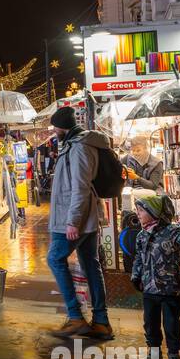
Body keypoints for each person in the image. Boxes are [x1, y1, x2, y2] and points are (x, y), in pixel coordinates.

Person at [46, 105, 114, 341]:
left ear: (62, 127)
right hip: (84, 218)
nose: (54, 131)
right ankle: (101, 322)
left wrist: (72, 222)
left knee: (55, 259)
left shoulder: (79, 148)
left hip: (73, 219)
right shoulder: (75, 144)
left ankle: (75, 316)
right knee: (89, 264)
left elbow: (80, 187)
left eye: (55, 127)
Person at [130, 193, 180, 359]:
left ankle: (174, 354)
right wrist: (136, 276)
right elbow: (139, 259)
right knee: (150, 323)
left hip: (170, 289)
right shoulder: (141, 236)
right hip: (149, 289)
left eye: (141, 210)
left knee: (172, 324)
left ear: (153, 212)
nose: (138, 214)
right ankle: (154, 351)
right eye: (137, 210)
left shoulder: (172, 232)